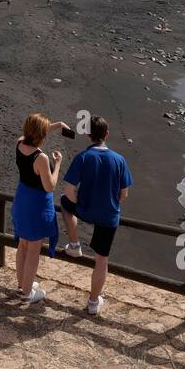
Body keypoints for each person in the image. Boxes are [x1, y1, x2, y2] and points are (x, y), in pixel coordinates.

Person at [59, 116, 133, 315]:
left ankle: (74, 245)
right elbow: (124, 194)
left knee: (64, 204)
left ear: (89, 135)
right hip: (108, 214)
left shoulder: (83, 157)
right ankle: (93, 302)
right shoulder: (119, 159)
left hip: (85, 209)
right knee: (102, 260)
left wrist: (81, 204)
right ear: (106, 135)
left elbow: (68, 191)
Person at [11, 112, 69, 304]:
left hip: (22, 199)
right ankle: (27, 293)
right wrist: (58, 164)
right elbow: (50, 186)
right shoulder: (41, 158)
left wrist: (57, 125)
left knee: (23, 245)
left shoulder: (20, 144)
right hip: (37, 203)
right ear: (41, 135)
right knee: (34, 249)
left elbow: (32, 132)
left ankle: (22, 285)